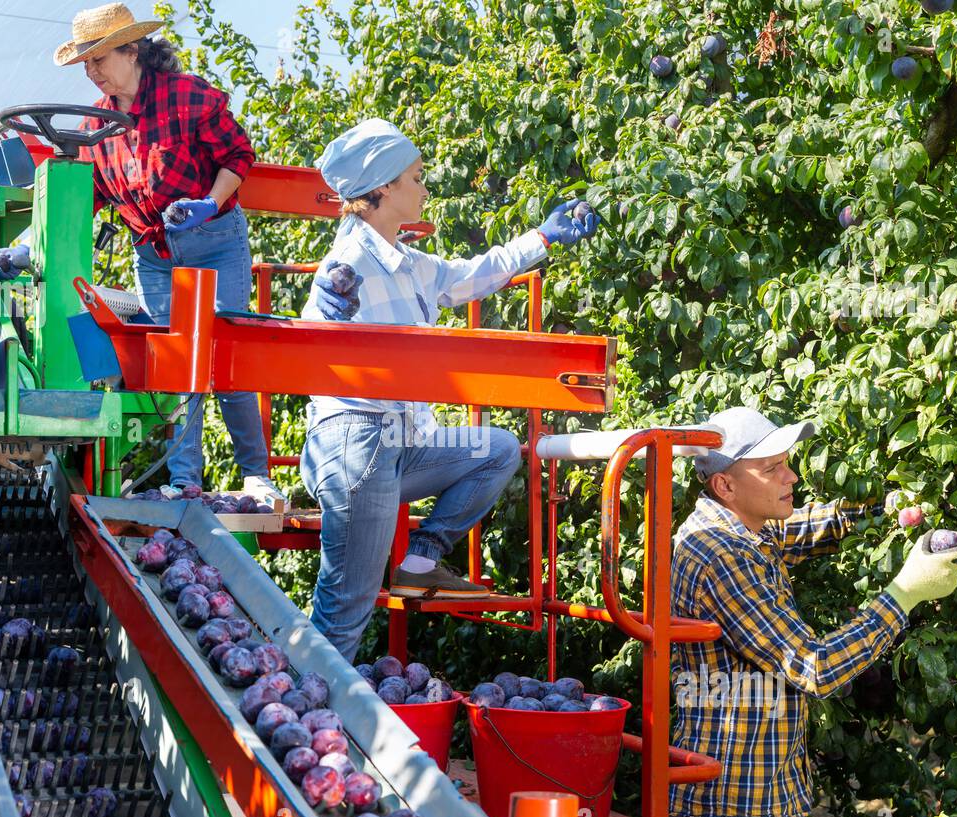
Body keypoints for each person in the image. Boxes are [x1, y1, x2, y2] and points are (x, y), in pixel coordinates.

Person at [299, 118, 599, 662]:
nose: (424, 187)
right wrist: (325, 304)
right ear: (383, 186)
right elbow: (315, 316)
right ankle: (304, 723)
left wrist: (544, 237)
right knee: (346, 609)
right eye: (416, 176)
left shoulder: (408, 263)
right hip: (356, 445)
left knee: (498, 448)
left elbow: (473, 273)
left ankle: (419, 561)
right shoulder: (347, 262)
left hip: (399, 446)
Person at [670, 407, 957, 817]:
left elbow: (807, 525)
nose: (791, 476)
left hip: (767, 803)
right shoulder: (720, 554)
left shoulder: (744, 529)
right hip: (735, 814)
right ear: (725, 485)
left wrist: (886, 508)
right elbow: (816, 666)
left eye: (787, 461)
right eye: (773, 468)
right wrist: (906, 593)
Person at [51, 3, 278, 498]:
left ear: (132, 51)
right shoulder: (95, 129)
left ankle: (257, 477)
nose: (91, 72)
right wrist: (35, 242)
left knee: (227, 356)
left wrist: (207, 203)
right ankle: (183, 482)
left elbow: (238, 155)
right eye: (85, 64)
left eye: (99, 59)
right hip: (154, 255)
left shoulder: (187, 96)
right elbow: (83, 201)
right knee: (176, 365)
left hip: (214, 242)